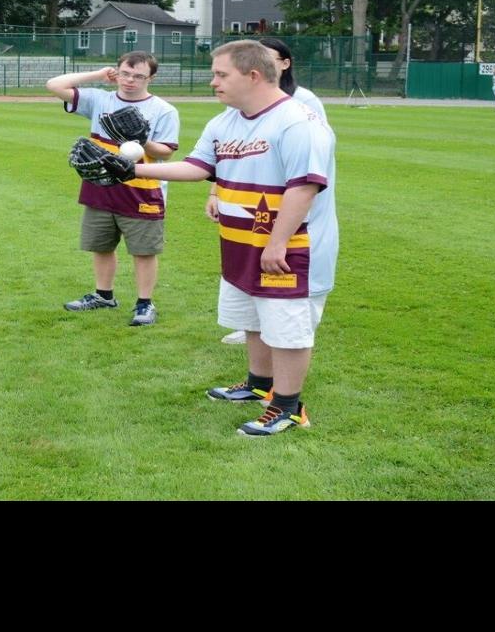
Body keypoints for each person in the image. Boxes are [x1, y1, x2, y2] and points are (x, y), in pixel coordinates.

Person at [95, 40, 338, 436]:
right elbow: (197, 166)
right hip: (241, 243)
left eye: (221, 74)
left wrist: (277, 243)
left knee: (287, 326)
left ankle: (289, 406)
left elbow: (303, 188)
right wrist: (131, 171)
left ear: (253, 75)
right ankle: (259, 385)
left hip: (293, 248)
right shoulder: (224, 121)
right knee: (255, 318)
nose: (213, 82)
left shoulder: (297, 121)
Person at [45, 51, 180, 326]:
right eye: (125, 74)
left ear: (150, 78)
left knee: (143, 251)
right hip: (100, 186)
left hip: (142, 189)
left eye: (139, 76)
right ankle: (103, 295)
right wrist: (97, 75)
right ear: (116, 72)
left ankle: (144, 304)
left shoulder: (164, 110)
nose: (130, 80)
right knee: (101, 246)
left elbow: (166, 153)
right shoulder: (100, 99)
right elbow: (54, 85)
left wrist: (141, 140)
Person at [217, 37, 329, 345]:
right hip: (255, 222)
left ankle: (285, 391)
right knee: (260, 306)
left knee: (291, 318)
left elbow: (305, 177)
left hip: (295, 218)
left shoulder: (301, 109)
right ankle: (260, 379)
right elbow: (229, 156)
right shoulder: (237, 111)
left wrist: (279, 241)